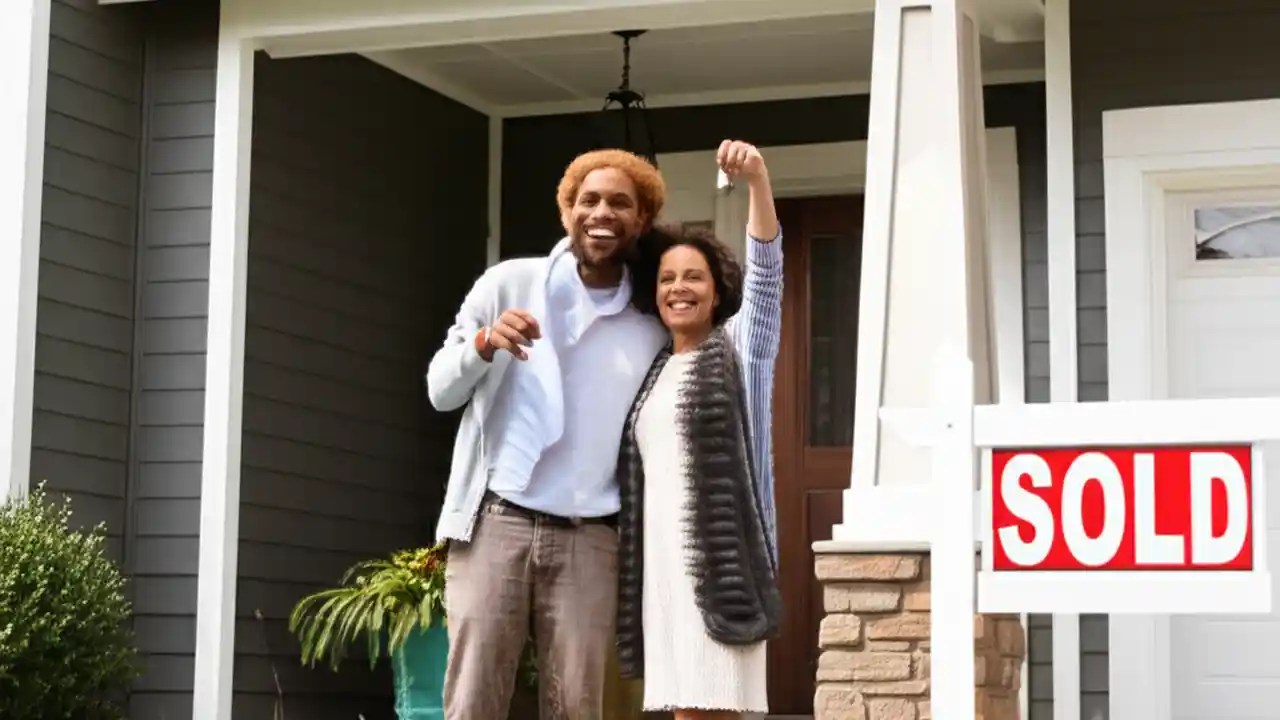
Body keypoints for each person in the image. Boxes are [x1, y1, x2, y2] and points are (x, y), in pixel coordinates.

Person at [424, 148, 670, 720]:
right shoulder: (510, 283)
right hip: (495, 523)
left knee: (578, 706)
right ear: (568, 212)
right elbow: (441, 391)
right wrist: (483, 345)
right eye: (589, 200)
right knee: (473, 700)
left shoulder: (650, 319)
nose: (601, 212)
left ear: (641, 219)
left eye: (619, 203)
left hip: (591, 537)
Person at [615, 139, 784, 719]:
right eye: (667, 279)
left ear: (717, 290)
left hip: (722, 563)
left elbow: (766, 280)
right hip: (662, 567)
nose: (678, 288)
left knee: (713, 708)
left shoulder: (740, 351)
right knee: (686, 710)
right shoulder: (656, 370)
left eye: (693, 277)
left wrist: (757, 182)